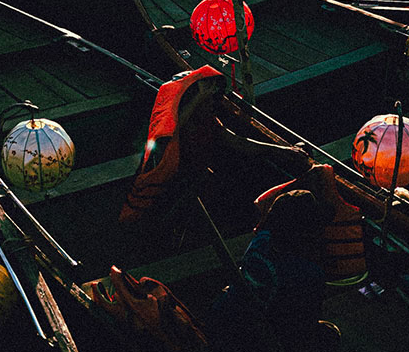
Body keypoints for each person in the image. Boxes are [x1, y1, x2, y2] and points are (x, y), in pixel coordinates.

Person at [121, 68, 309, 240]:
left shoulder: (209, 121)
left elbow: (237, 141)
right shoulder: (173, 129)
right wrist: (199, 96)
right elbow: (175, 130)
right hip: (177, 188)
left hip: (202, 181)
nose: (213, 103)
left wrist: (280, 149)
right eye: (208, 100)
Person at [212, 190, 338, 352]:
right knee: (330, 335)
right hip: (255, 339)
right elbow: (305, 326)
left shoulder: (261, 240)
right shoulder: (309, 274)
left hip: (225, 316)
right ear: (307, 232)